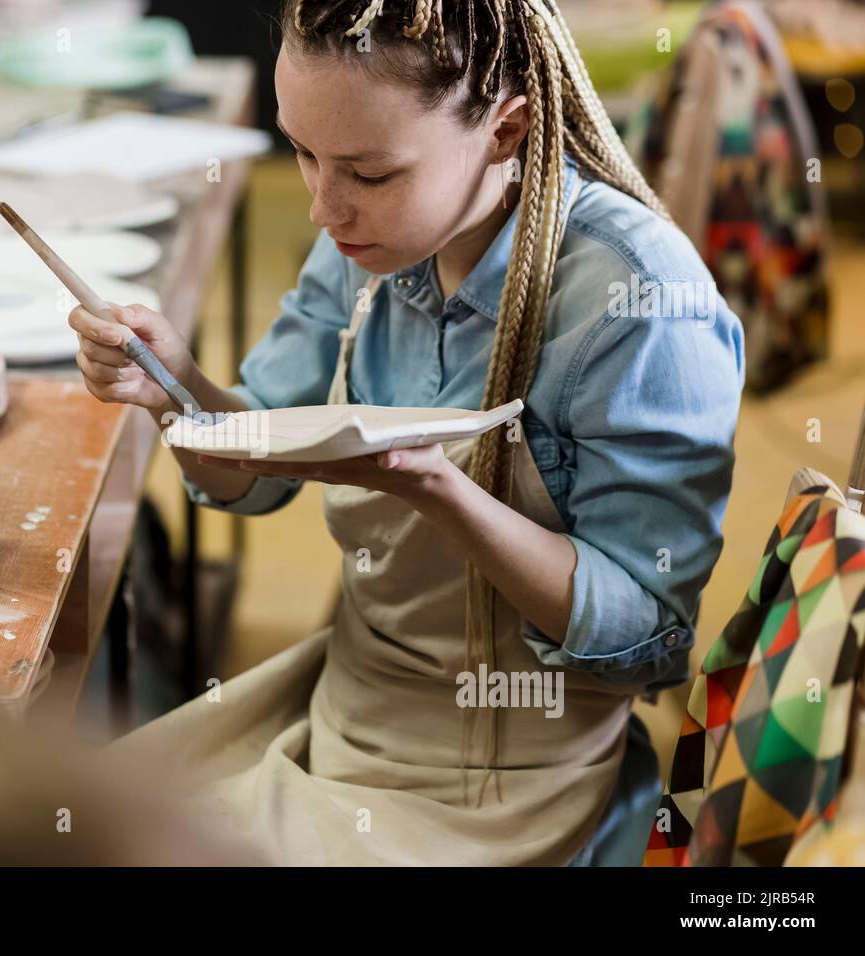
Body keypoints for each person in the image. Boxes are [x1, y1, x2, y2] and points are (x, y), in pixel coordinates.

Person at [70, 0, 744, 865]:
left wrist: (437, 488)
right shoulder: (365, 243)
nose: (322, 208)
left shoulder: (638, 305)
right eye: (304, 155)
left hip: (516, 772)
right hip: (350, 698)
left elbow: (641, 637)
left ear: (507, 130)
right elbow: (258, 472)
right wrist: (173, 391)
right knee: (55, 829)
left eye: (368, 173)